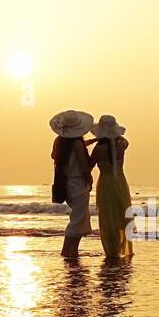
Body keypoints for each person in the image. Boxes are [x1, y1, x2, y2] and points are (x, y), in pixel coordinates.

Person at [87, 114, 133, 262]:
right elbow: (124, 141)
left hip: (106, 184)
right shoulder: (122, 144)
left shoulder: (98, 149)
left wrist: (91, 142)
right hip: (120, 182)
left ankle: (111, 251)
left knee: (108, 218)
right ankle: (122, 248)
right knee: (121, 215)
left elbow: (89, 165)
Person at [49, 110, 94, 258]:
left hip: (66, 183)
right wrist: (89, 178)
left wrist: (91, 142)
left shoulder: (60, 141)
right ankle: (67, 251)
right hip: (78, 184)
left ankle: (71, 251)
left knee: (78, 218)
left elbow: (55, 155)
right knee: (78, 220)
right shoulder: (76, 144)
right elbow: (83, 164)